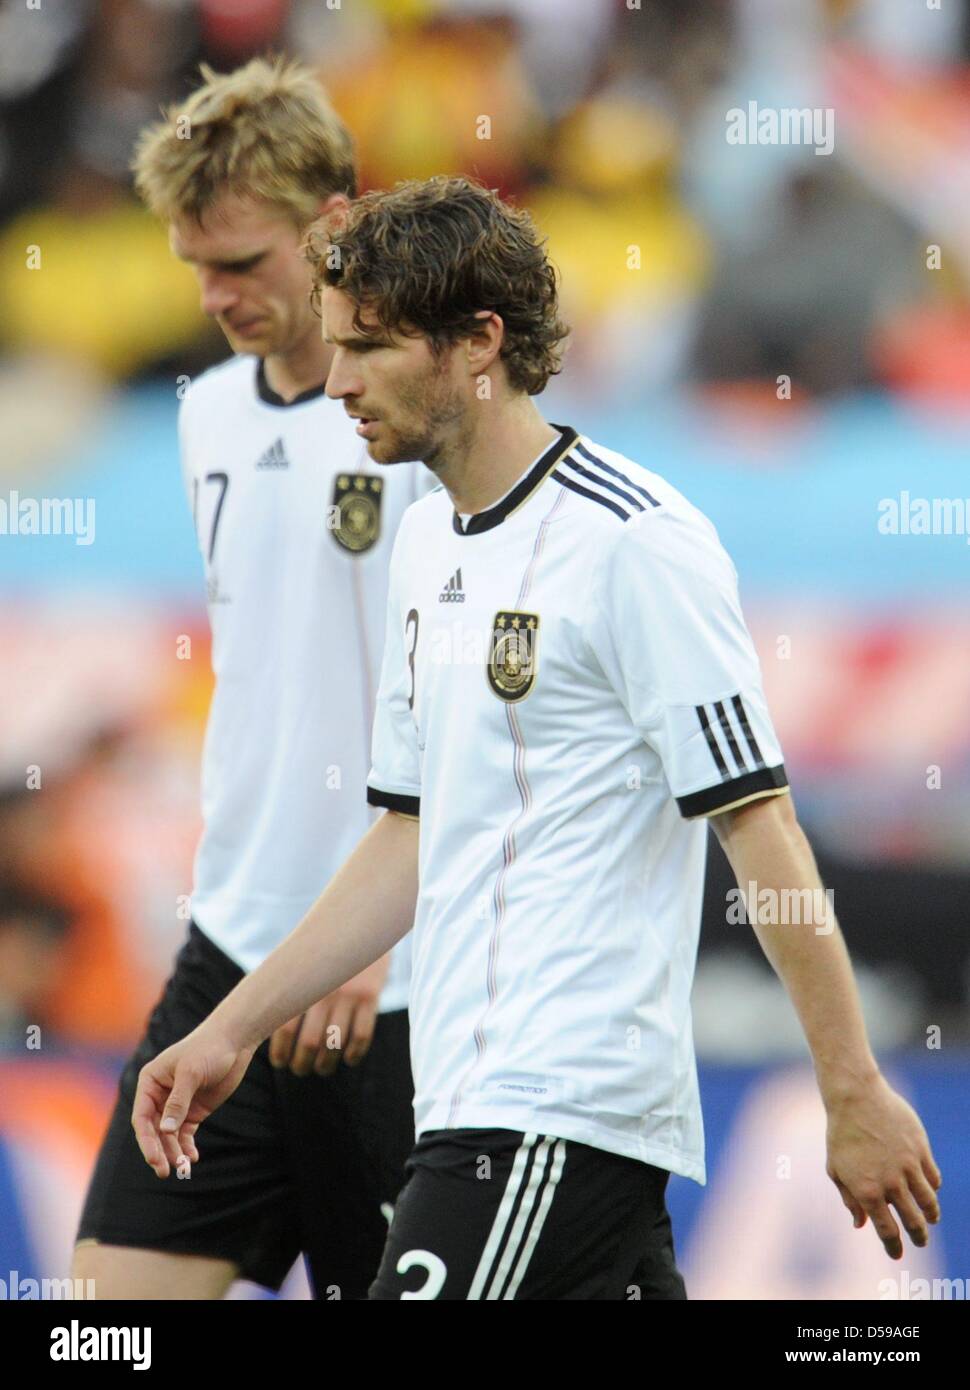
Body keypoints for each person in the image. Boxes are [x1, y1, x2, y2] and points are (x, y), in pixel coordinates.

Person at [131, 175, 942, 1301]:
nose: (340, 384)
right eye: (334, 347)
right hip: (463, 1104)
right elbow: (408, 840)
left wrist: (850, 1086)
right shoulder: (422, 545)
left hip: (555, 1110)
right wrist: (231, 1027)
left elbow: (761, 832)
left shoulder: (634, 544)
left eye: (368, 348)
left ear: (478, 343)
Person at [74, 58, 423, 1301]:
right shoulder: (207, 413)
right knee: (103, 1317)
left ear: (332, 222)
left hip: (392, 974)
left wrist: (392, 930)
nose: (215, 296)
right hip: (229, 944)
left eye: (241, 262)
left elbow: (488, 704)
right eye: (195, 268)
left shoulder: (421, 415)